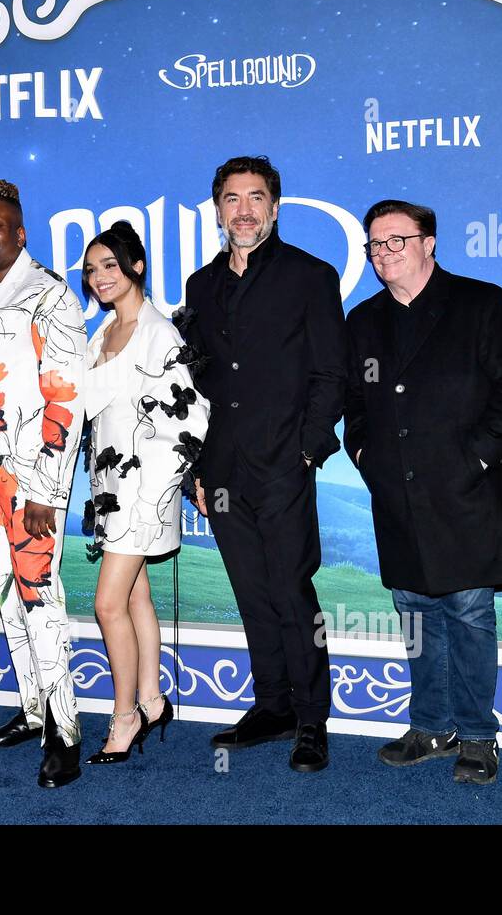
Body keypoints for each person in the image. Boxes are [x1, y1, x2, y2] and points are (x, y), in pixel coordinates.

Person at [343, 199, 502, 785]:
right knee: (415, 611)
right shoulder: (362, 320)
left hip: (468, 492)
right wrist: (365, 457)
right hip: (396, 496)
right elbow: (355, 408)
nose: (382, 254)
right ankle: (431, 725)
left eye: (395, 241)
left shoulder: (481, 302)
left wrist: (476, 458)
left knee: (470, 612)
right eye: (375, 244)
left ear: (429, 243)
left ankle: (478, 736)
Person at [180, 155, 348, 773]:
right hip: (221, 469)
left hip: (284, 462)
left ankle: (311, 720)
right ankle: (272, 706)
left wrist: (306, 450)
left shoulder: (311, 276)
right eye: (231, 199)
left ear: (275, 208)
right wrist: (198, 464)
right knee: (252, 592)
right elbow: (196, 385)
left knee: (291, 592)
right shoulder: (201, 287)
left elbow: (332, 371)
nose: (244, 210)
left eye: (256, 198)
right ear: (218, 209)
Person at [0, 179, 88, 788]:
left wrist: (48, 490)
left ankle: (65, 731)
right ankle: (34, 712)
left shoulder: (50, 295)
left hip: (31, 480)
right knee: (9, 600)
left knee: (41, 601)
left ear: (20, 233)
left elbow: (66, 395)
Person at [80, 221, 209, 764]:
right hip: (109, 489)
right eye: (90, 269)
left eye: (110, 265)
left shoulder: (161, 333)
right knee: (134, 598)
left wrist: (154, 496)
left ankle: (125, 715)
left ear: (136, 266)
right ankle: (154, 700)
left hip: (144, 493)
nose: (99, 277)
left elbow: (190, 420)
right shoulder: (100, 334)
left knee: (107, 604)